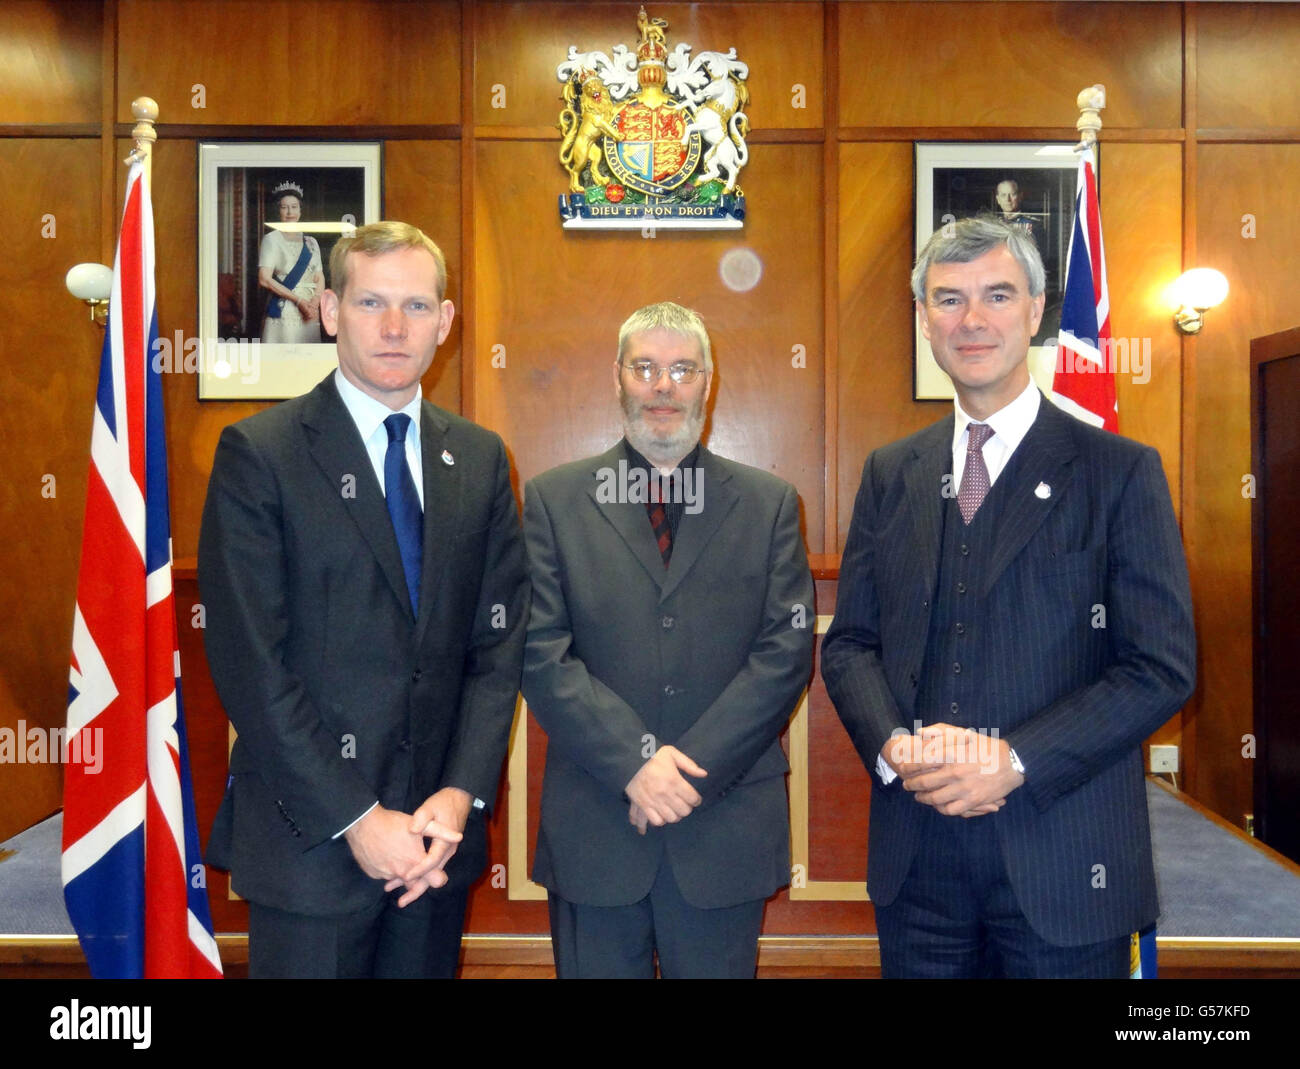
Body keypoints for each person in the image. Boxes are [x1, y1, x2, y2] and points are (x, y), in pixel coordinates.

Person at [821, 216, 1195, 978]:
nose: (973, 319)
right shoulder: (890, 472)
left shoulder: (1118, 471)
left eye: (997, 294)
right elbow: (852, 643)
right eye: (948, 299)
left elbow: (1158, 666)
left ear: (1035, 312)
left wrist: (1017, 759)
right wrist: (894, 747)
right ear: (924, 319)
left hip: (1065, 862)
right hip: (918, 865)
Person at [200, 220, 528, 978]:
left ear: (445, 323)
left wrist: (458, 794)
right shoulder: (262, 455)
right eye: (371, 301)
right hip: (311, 847)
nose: (392, 327)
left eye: (416, 307)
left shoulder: (478, 459)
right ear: (328, 310)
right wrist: (358, 818)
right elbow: (253, 665)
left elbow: (497, 646)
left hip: (435, 850)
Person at [523, 301, 814, 978]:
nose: (663, 386)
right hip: (597, 820)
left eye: (682, 369)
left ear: (707, 383)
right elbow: (541, 650)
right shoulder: (553, 500)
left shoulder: (770, 503)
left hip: (723, 822)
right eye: (646, 367)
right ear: (616, 378)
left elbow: (784, 655)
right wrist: (635, 762)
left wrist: (682, 774)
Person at [258, 182, 325, 344]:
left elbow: (319, 277)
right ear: (278, 210)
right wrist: (298, 301)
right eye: (284, 207)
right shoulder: (272, 239)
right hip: (285, 308)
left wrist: (315, 301)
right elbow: (264, 279)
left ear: (300, 210)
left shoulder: (311, 242)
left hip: (310, 310)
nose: (290, 212)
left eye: (294, 207)